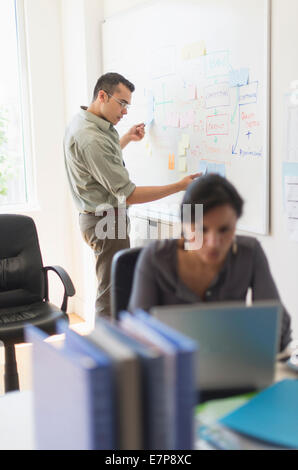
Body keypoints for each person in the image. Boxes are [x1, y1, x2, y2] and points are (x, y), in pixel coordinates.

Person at [64, 72, 199, 317]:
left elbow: (101, 164)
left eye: (128, 105)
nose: (125, 111)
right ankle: (107, 350)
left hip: (99, 216)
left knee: (114, 286)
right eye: (122, 103)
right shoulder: (91, 138)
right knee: (112, 292)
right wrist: (179, 186)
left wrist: (126, 138)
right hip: (105, 219)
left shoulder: (86, 122)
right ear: (102, 96)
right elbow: (129, 194)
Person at [128, 174, 292, 351]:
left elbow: (278, 326)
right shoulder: (155, 258)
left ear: (236, 224)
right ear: (184, 224)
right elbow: (138, 337)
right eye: (201, 229)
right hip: (171, 371)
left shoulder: (249, 253)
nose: (214, 242)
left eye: (224, 229)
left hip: (234, 367)